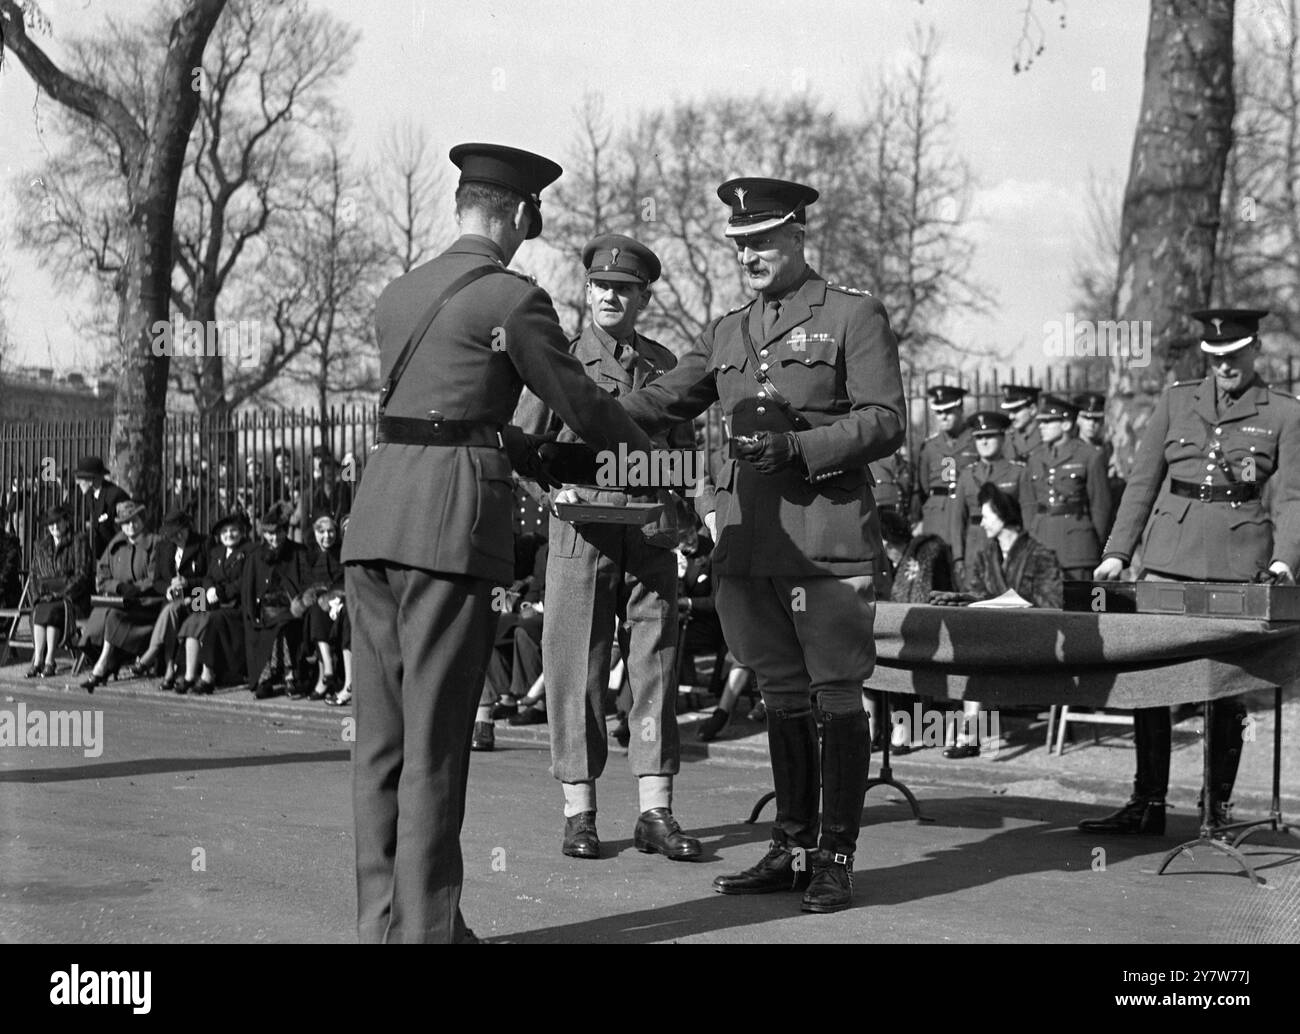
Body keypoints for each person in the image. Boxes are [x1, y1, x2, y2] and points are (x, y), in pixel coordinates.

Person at [340, 142, 655, 944]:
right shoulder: (513, 299)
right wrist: (656, 460)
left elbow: (437, 404)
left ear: (458, 207)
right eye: (529, 223)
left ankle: (386, 926)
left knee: (380, 744)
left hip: (376, 518)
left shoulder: (397, 294)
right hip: (447, 528)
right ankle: (428, 934)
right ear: (517, 214)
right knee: (437, 747)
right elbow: (580, 402)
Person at [618, 175, 906, 913]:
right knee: (780, 692)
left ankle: (836, 855)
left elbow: (885, 420)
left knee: (836, 691)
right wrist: (578, 406)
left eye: (763, 240)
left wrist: (805, 447)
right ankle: (790, 845)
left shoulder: (851, 314)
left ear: (799, 236)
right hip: (750, 547)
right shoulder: (727, 331)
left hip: (825, 542)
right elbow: (663, 399)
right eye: (739, 243)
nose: (749, 253)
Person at [514, 232, 702, 861]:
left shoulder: (665, 365)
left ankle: (655, 809)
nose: (611, 297)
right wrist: (552, 496)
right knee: (576, 669)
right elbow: (520, 448)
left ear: (644, 298)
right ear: (587, 292)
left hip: (649, 533)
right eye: (602, 287)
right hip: (581, 535)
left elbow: (684, 454)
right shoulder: (559, 361)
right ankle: (580, 812)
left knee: (655, 666)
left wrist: (678, 506)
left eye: (625, 289)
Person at [1084, 308, 1300, 836]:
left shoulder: (1285, 413)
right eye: (1215, 358)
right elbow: (1141, 481)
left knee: (1223, 689)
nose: (1224, 367)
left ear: (1254, 353)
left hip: (1235, 565)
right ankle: (1147, 801)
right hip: (1166, 559)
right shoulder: (1178, 399)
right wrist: (1118, 551)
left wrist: (1284, 560)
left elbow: (1294, 495)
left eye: (1233, 357)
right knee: (1150, 680)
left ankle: (1215, 810)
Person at [931, 482, 1063, 757]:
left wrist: (1014, 604)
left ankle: (969, 735)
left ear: (1003, 516)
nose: (983, 524)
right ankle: (969, 734)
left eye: (987, 517)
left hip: (1031, 637)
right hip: (991, 636)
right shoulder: (984, 556)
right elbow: (976, 594)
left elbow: (1053, 603)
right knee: (971, 649)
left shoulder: (1040, 555)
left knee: (975, 654)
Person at [1023, 395, 1111, 580]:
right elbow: (1029, 504)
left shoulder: (1089, 456)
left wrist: (1096, 543)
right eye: (1040, 422)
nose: (1041, 426)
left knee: (1079, 604)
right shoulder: (1035, 458)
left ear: (1066, 424)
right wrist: (1032, 533)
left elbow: (1100, 506)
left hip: (1078, 547)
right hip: (1041, 541)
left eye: (1048, 422)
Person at [80, 501, 165, 692]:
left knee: (113, 617)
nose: (131, 526)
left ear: (142, 520)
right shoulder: (115, 544)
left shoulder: (156, 543)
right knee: (99, 618)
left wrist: (135, 588)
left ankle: (102, 666)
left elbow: (156, 577)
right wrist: (118, 586)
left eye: (134, 520)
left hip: (145, 604)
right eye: (126, 523)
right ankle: (106, 661)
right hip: (119, 599)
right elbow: (102, 576)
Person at [124, 507, 208, 690]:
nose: (176, 538)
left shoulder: (203, 543)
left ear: (187, 528)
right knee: (171, 611)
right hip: (173, 597)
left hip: (198, 595)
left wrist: (188, 582)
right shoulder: (164, 547)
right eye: (172, 535)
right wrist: (168, 589)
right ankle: (169, 667)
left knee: (171, 610)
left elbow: (210, 577)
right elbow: (158, 581)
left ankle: (152, 655)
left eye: (179, 533)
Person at [947, 410, 1033, 587]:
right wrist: (958, 557)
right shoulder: (967, 475)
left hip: (1008, 549)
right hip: (973, 549)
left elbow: (1028, 518)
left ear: (1003, 438)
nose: (984, 442)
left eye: (989, 436)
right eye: (979, 438)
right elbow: (957, 520)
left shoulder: (1018, 473)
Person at [176, 511, 251, 694]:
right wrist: (208, 590)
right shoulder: (217, 552)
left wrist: (220, 592)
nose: (229, 535)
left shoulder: (250, 550)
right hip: (213, 600)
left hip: (237, 605)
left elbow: (245, 580)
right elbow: (208, 577)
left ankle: (207, 675)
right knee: (194, 612)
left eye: (233, 531)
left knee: (214, 619)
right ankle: (188, 675)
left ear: (241, 532)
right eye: (224, 532)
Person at [242, 509, 311, 699]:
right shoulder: (256, 556)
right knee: (270, 627)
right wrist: (251, 612)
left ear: (285, 531)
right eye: (269, 534)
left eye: (278, 532)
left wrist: (301, 602)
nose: (274, 538)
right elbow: (249, 589)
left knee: (282, 625)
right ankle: (268, 677)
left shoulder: (298, 552)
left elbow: (306, 582)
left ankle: (287, 676)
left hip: (290, 607)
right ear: (264, 534)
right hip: (265, 609)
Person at [26, 505, 94, 678]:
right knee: (40, 609)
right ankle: (38, 660)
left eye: (58, 522)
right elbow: (34, 575)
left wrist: (62, 593)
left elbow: (83, 574)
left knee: (51, 610)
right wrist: (37, 597)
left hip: (72, 599)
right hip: (46, 597)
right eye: (51, 524)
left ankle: (49, 659)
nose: (55, 527)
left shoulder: (79, 540)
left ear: (66, 522)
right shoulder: (42, 545)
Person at [916, 386, 977, 545]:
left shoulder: (975, 441)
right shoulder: (929, 446)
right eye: (939, 412)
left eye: (948, 412)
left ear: (960, 409)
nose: (943, 417)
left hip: (967, 511)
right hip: (937, 515)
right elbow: (922, 486)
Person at [302, 511, 346, 700]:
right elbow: (305, 584)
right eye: (322, 532)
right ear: (314, 532)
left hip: (340, 604)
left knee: (319, 612)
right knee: (315, 612)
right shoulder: (309, 555)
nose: (327, 536)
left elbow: (345, 581)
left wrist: (334, 597)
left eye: (330, 531)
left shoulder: (342, 552)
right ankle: (326, 671)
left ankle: (325, 677)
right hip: (317, 607)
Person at [73, 456, 130, 559]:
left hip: (116, 554)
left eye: (80, 478)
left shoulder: (116, 495)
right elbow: (81, 519)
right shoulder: (87, 495)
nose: (77, 482)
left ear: (91, 480)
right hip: (96, 555)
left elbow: (123, 528)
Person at [1001, 384, 1042, 461]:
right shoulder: (1007, 439)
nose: (1011, 417)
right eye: (1010, 411)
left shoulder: (1046, 436)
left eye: (1016, 410)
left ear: (1032, 409)